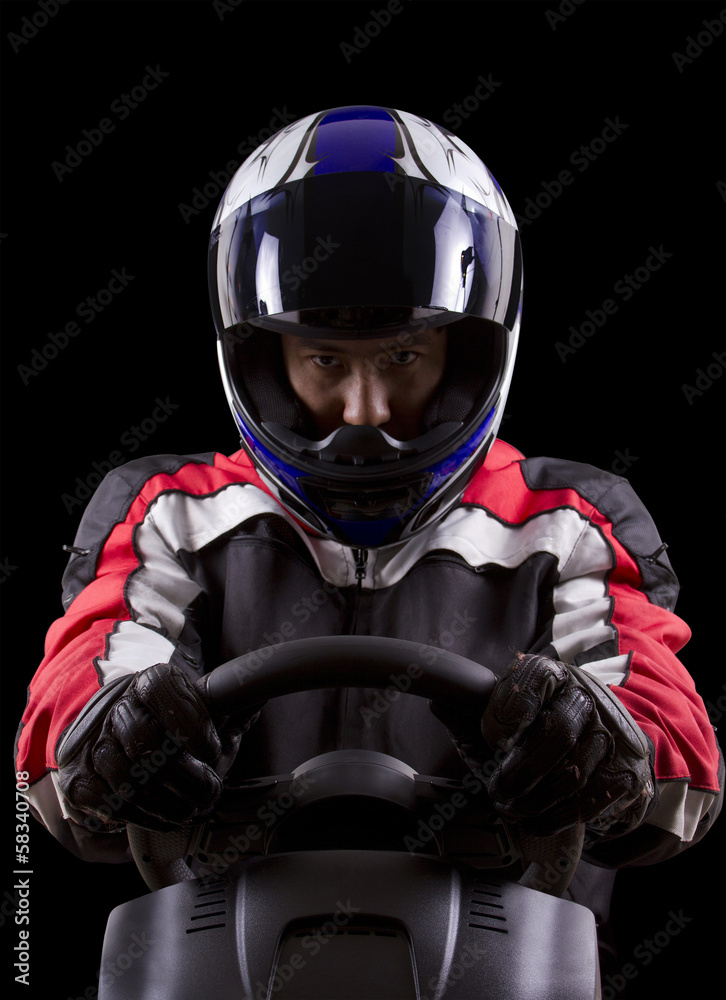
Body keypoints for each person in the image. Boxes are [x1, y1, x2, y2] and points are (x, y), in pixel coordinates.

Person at [15, 107, 722, 938]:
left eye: (402, 358)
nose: (365, 413)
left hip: (503, 959)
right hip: (225, 956)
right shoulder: (170, 510)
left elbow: (682, 759)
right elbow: (72, 706)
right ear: (260, 358)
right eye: (324, 361)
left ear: (465, 355)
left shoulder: (569, 520)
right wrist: (118, 734)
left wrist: (601, 745)